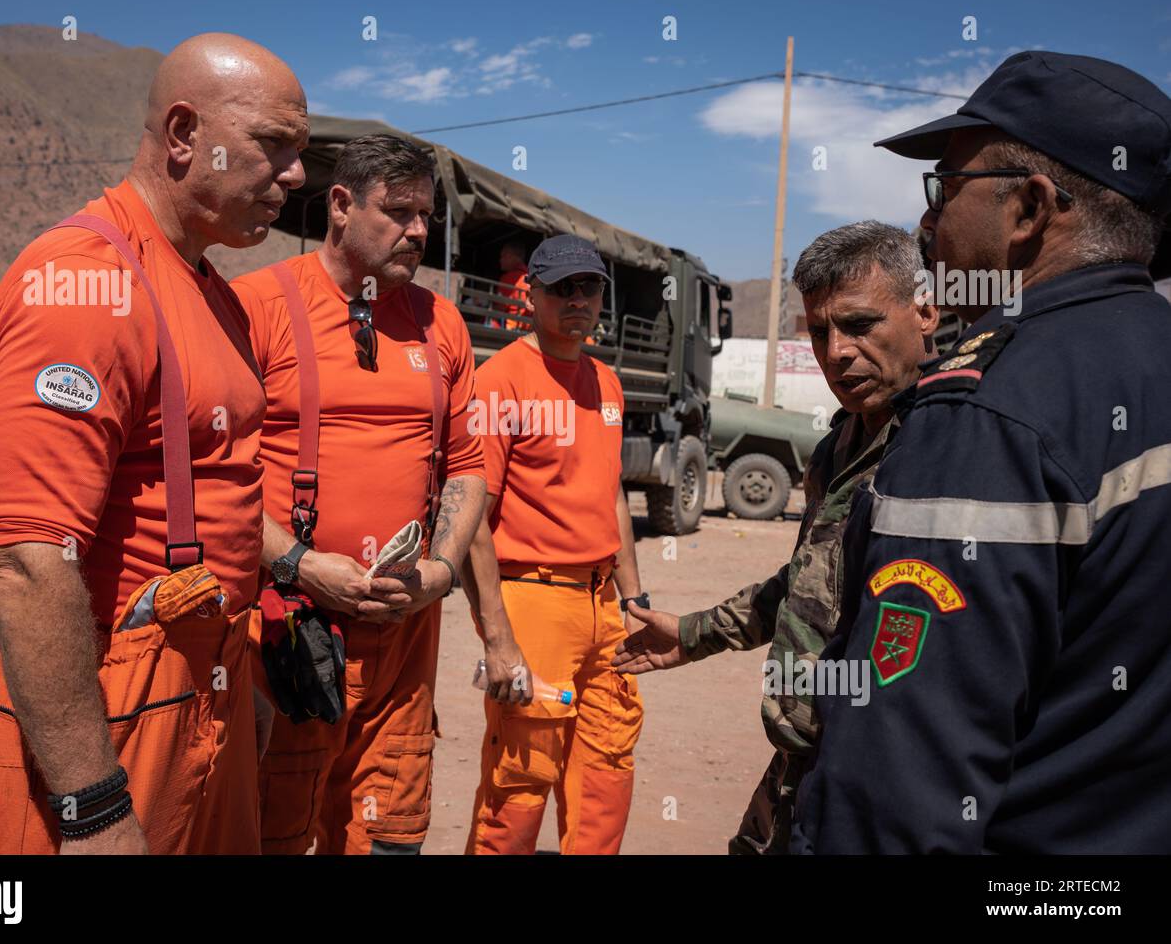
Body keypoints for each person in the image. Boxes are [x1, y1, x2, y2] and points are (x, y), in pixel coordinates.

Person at [791, 51, 1171, 853]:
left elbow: (895, 786)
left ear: (1029, 208)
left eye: (947, 186)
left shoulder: (988, 413)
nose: (928, 221)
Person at [0, 34, 309, 854]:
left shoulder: (212, 291)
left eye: (302, 152)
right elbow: (31, 560)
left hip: (198, 684)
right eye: (273, 145)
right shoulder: (86, 285)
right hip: (109, 707)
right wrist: (94, 805)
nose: (295, 176)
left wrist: (232, 672)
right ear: (184, 134)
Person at [612, 222, 938, 853]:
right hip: (802, 769)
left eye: (861, 324)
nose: (837, 351)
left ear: (924, 312)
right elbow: (808, 586)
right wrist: (692, 634)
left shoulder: (948, 446)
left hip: (879, 785)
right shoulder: (839, 444)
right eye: (820, 331)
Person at [232, 133, 488, 855]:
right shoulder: (257, 307)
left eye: (425, 215)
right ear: (341, 205)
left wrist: (438, 572)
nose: (417, 231)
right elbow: (215, 475)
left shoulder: (443, 323)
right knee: (274, 825)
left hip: (404, 641)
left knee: (392, 833)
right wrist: (301, 564)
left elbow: (468, 467)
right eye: (398, 211)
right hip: (288, 634)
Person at [461, 234, 647, 855]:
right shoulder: (501, 382)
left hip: (602, 607)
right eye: (561, 289)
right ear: (531, 296)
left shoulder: (607, 383)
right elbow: (471, 521)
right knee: (520, 781)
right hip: (533, 601)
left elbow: (612, 496)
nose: (577, 300)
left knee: (608, 770)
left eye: (588, 287)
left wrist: (636, 600)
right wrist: (497, 635)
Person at [497, 240, 531, 330]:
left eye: (503, 256)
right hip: (527, 328)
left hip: (509, 326)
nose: (500, 260)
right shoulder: (532, 278)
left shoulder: (509, 278)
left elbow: (500, 306)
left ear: (515, 257)